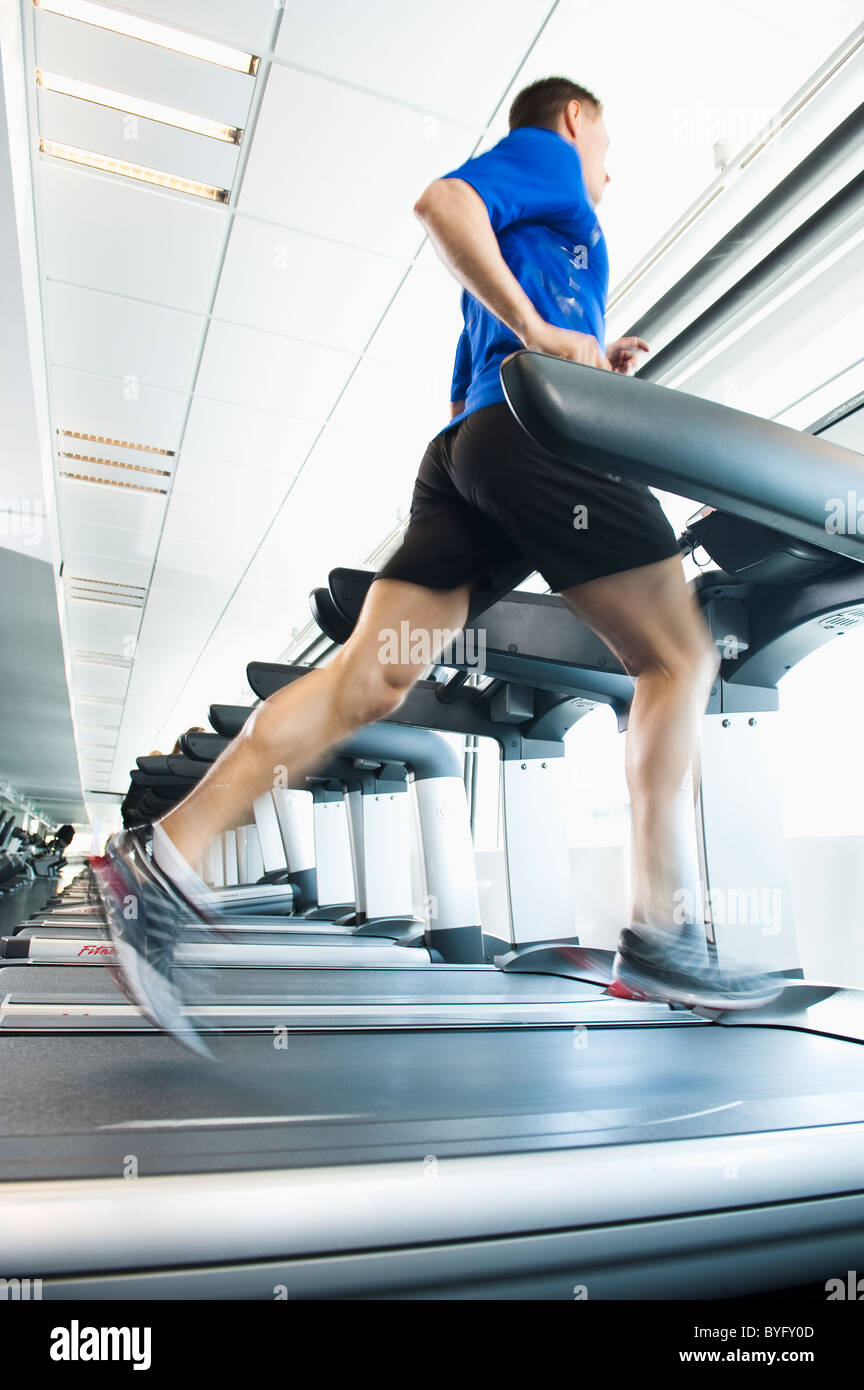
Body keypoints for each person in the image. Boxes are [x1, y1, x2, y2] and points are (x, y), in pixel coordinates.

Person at [93, 75, 782, 1046]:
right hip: (533, 439)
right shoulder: (551, 159)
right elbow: (443, 202)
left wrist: (582, 346)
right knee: (680, 658)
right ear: (577, 120)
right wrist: (544, 339)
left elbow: (515, 311)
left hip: (468, 456)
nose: (608, 171)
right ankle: (662, 929)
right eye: (606, 143)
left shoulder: (555, 234)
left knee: (366, 685)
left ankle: (159, 862)